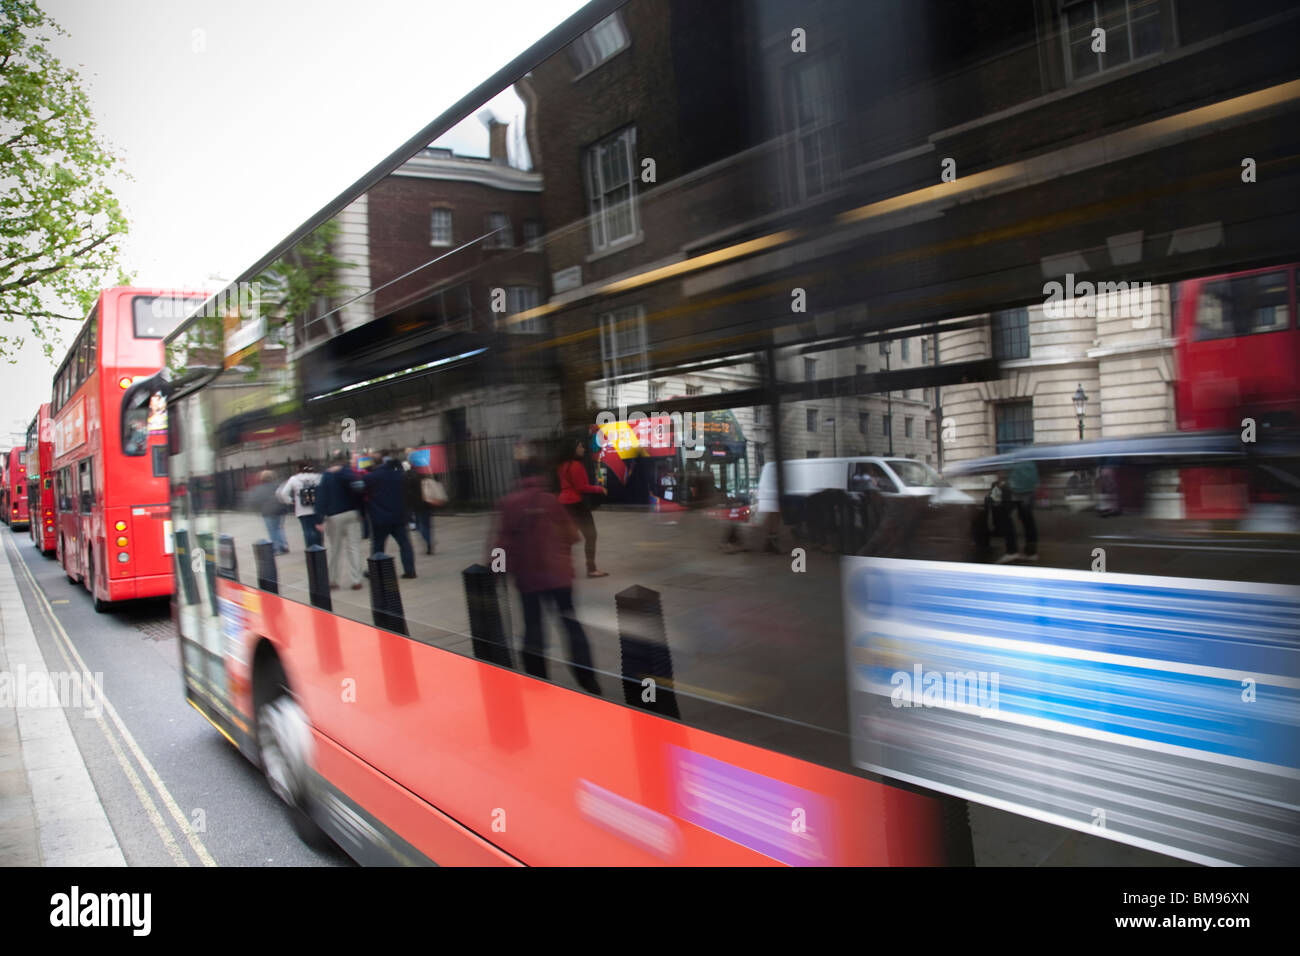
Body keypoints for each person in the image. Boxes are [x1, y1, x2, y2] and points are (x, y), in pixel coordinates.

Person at [492, 459, 601, 695]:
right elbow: (573, 535)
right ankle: (588, 679)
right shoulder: (551, 501)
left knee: (533, 628)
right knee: (571, 625)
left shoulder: (508, 504)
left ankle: (537, 682)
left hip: (528, 580)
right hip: (559, 577)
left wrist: (497, 571)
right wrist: (560, 555)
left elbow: (501, 546)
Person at [315, 450, 366, 590]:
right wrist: (361, 512)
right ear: (345, 460)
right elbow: (359, 492)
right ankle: (356, 580)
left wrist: (319, 519)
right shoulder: (349, 473)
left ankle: (333, 580)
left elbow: (321, 497)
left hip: (334, 516)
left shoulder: (326, 476)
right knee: (354, 548)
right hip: (352, 514)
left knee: (335, 549)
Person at [556, 438, 607, 577]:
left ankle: (562, 569)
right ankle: (591, 569)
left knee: (567, 538)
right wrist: (599, 489)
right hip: (576, 504)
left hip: (564, 503)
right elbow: (581, 487)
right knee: (591, 535)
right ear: (573, 449)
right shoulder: (575, 465)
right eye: (580, 446)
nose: (583, 449)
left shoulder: (562, 465)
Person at [365, 451, 415, 579]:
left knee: (378, 545)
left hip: (380, 517)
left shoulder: (371, 477)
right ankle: (410, 570)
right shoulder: (398, 475)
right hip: (398, 515)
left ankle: (376, 571)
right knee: (404, 544)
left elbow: (364, 495)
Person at [403, 457, 443, 556]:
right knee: (428, 525)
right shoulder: (426, 473)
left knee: (420, 526)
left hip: (417, 505)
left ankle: (428, 542)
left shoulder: (408, 475)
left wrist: (408, 505)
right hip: (428, 502)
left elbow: (407, 492)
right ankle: (429, 541)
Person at [277, 462, 322, 549]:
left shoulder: (294, 479)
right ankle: (319, 548)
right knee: (318, 530)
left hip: (302, 509)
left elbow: (283, 493)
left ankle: (310, 549)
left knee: (307, 531)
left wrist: (291, 501)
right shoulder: (318, 477)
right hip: (317, 508)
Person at [248, 470, 289, 554]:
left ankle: (277, 548)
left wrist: (258, 509)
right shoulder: (277, 486)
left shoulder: (259, 489)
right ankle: (284, 545)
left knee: (272, 530)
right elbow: (283, 497)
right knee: (279, 528)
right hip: (279, 510)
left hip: (267, 512)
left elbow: (255, 501)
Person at [1006, 459, 1040, 561]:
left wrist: (1009, 485)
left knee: (1007, 518)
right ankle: (1030, 552)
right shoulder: (1030, 463)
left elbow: (1013, 480)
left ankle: (1014, 552)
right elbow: (1035, 480)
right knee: (1028, 522)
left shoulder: (1021, 463)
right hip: (1027, 494)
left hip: (1020, 494)